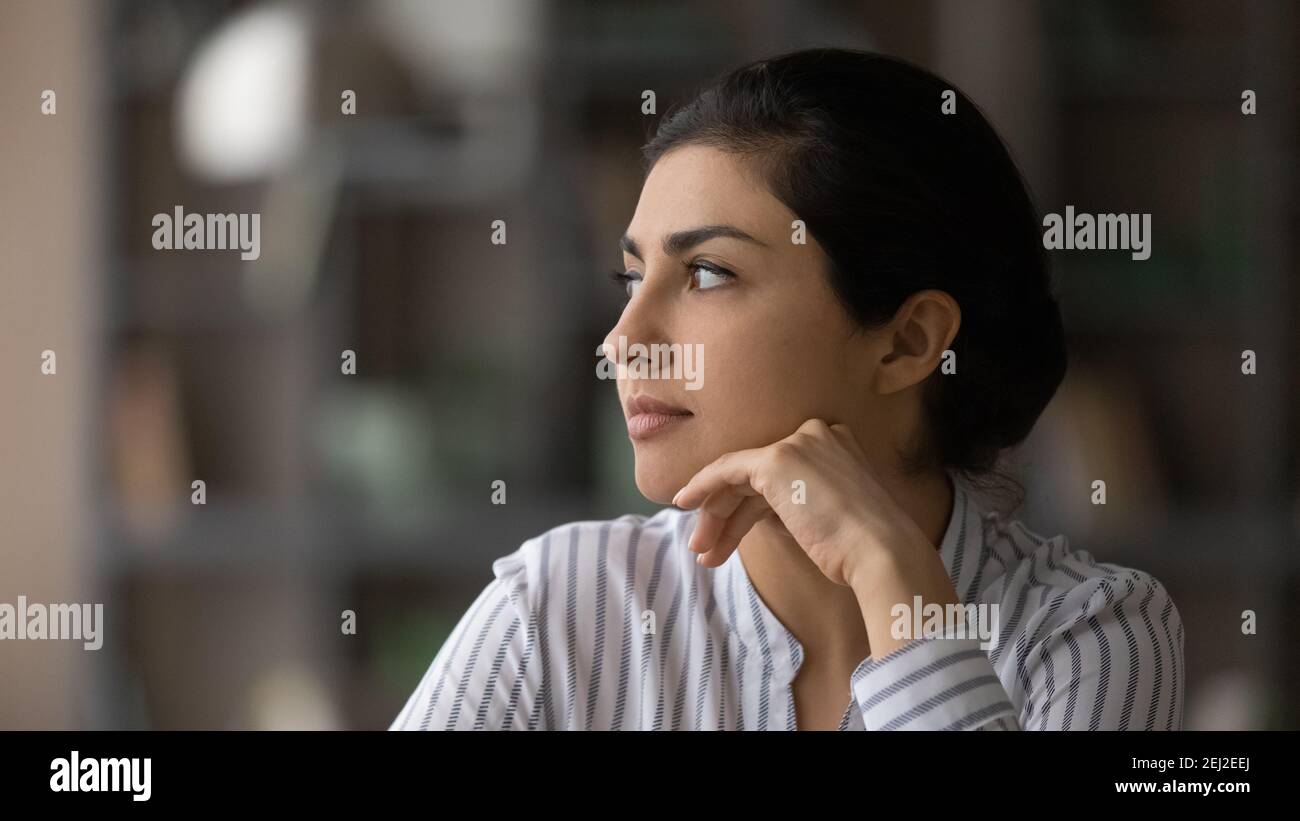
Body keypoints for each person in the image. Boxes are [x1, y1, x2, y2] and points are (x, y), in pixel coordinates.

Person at [390, 47, 1184, 731]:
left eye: (706, 273)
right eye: (631, 277)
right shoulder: (559, 608)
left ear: (908, 342)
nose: (622, 341)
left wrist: (895, 580)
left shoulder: (1092, 631)